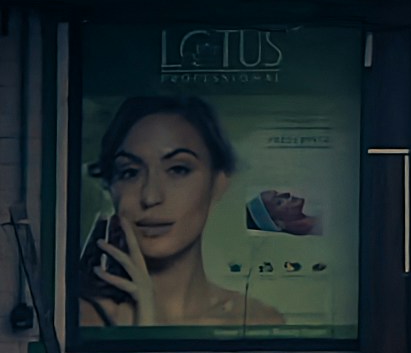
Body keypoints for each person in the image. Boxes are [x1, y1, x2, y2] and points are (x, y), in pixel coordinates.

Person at [75, 92, 284, 335]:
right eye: (130, 172)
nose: (151, 197)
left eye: (178, 169)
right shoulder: (84, 318)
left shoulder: (257, 320)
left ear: (218, 183)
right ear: (110, 188)